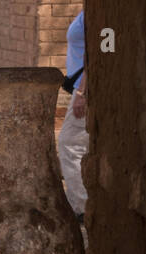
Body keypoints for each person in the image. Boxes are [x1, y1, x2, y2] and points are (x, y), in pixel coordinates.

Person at [58, 8, 88, 221]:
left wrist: (82, 93)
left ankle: (82, 208)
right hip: (80, 89)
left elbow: (100, 53)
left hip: (84, 92)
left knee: (69, 144)